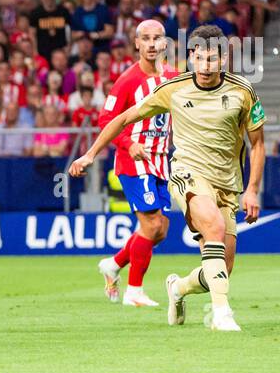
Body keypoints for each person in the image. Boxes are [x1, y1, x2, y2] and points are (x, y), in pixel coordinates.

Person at [70, 24, 267, 333]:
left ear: (223, 59)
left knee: (221, 268)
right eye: (198, 58)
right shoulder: (172, 87)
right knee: (204, 226)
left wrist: (252, 189)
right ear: (191, 57)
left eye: (211, 59)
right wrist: (91, 153)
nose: (204, 66)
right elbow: (122, 117)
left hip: (227, 183)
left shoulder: (242, 91)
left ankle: (178, 288)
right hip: (186, 173)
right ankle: (221, 314)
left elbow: (258, 143)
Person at [93, 19, 179, 307]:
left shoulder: (173, 76)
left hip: (160, 161)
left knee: (160, 229)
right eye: (146, 38)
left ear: (165, 43)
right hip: (134, 162)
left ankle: (114, 264)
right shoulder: (127, 81)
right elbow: (106, 120)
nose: (152, 44)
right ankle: (134, 291)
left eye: (157, 38)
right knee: (152, 224)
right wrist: (129, 144)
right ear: (137, 43)